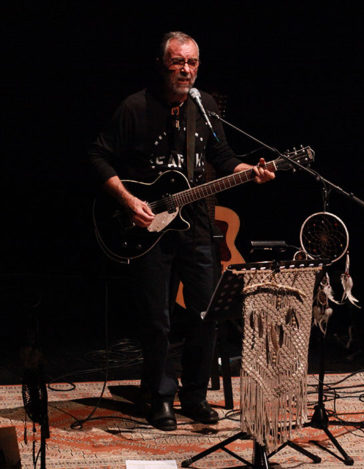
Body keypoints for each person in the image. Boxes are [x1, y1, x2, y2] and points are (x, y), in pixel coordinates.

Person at [88, 30, 274, 431]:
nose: (185, 70)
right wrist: (128, 201)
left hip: (197, 226)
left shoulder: (203, 106)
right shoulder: (135, 107)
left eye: (191, 63)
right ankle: (159, 397)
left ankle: (194, 396)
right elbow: (98, 156)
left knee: (207, 313)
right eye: (178, 62)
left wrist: (250, 173)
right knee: (158, 320)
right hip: (148, 228)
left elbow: (222, 157)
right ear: (162, 65)